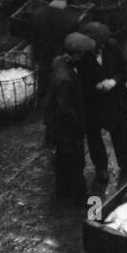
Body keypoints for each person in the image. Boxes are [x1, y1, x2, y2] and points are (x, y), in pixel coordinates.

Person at [78, 22, 127, 183]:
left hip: (114, 101)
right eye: (98, 43)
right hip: (93, 105)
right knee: (94, 138)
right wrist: (93, 87)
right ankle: (101, 169)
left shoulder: (112, 46)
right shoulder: (81, 55)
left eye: (104, 42)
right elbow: (79, 82)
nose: (102, 45)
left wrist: (113, 81)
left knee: (122, 135)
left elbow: (124, 69)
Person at [43, 33, 92, 203]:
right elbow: (66, 109)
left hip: (56, 125)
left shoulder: (58, 61)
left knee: (62, 161)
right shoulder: (66, 79)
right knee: (76, 163)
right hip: (67, 130)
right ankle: (84, 200)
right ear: (77, 55)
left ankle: (62, 192)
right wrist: (80, 126)